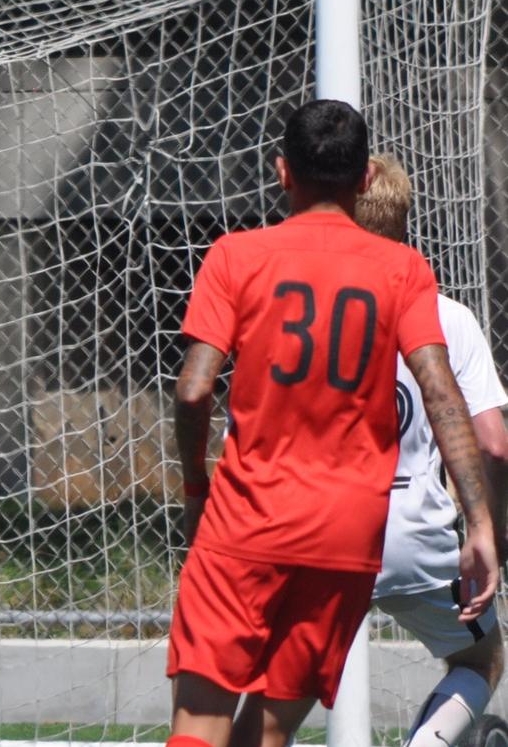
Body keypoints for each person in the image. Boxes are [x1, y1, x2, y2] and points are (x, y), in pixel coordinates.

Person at [170, 100, 498, 747]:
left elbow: (192, 390)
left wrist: (193, 490)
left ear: (280, 171)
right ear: (365, 175)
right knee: (265, 729)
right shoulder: (402, 271)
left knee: (198, 724)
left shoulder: (236, 255)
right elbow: (440, 396)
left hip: (246, 519)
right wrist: (482, 522)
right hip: (345, 534)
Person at [355, 154, 508, 747]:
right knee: (480, 661)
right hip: (417, 535)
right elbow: (493, 444)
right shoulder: (448, 316)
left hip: (324, 532)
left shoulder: (310, 313)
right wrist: (490, 530)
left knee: (278, 692)